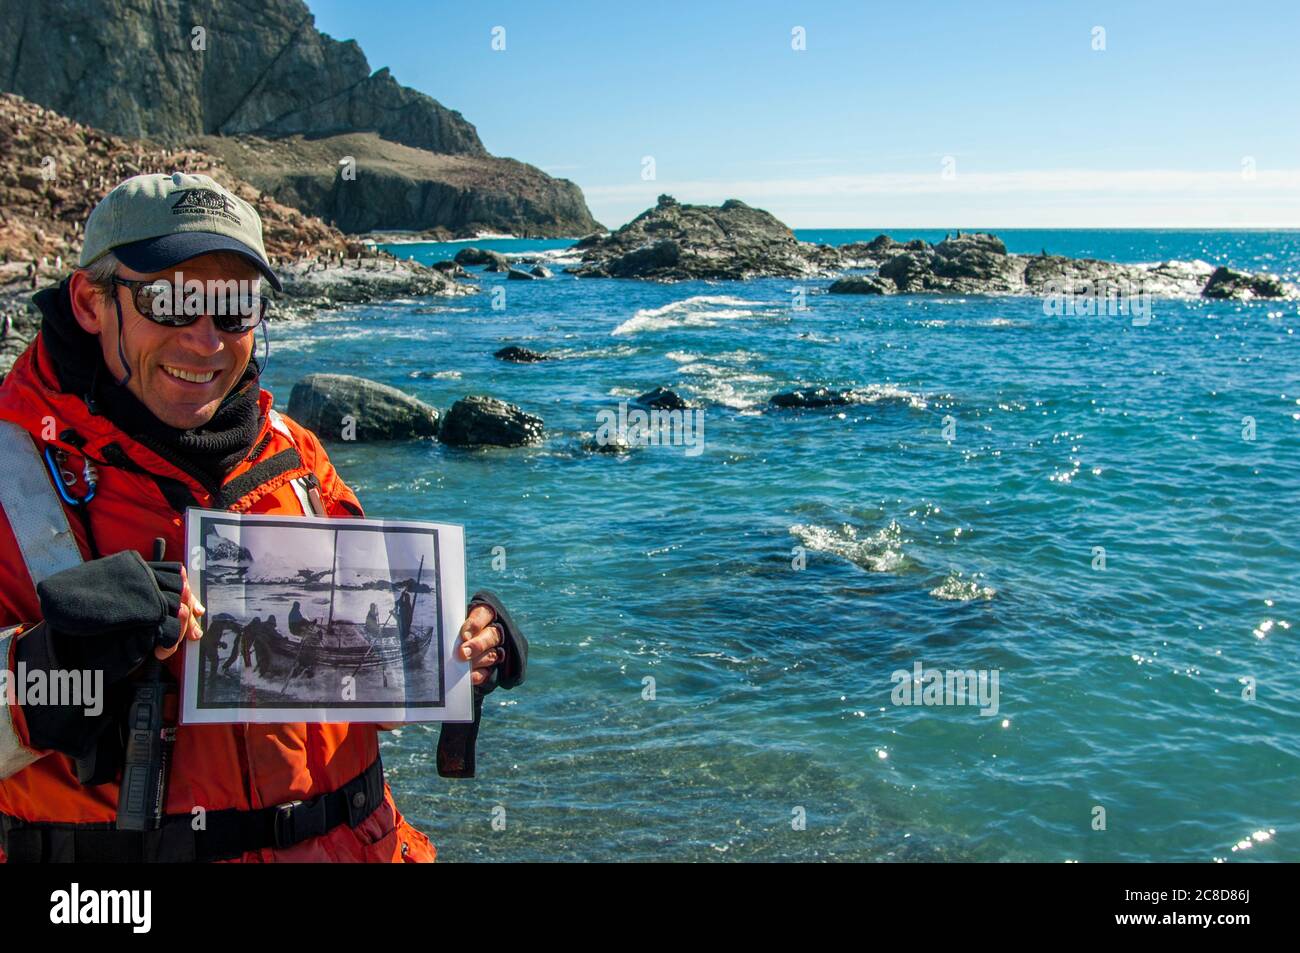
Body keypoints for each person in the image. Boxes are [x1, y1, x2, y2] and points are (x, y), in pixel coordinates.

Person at [0, 172, 527, 863]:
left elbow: (367, 683)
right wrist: (51, 668)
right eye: (172, 301)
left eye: (234, 307)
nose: (205, 341)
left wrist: (455, 648)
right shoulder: (12, 468)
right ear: (89, 301)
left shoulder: (295, 453)